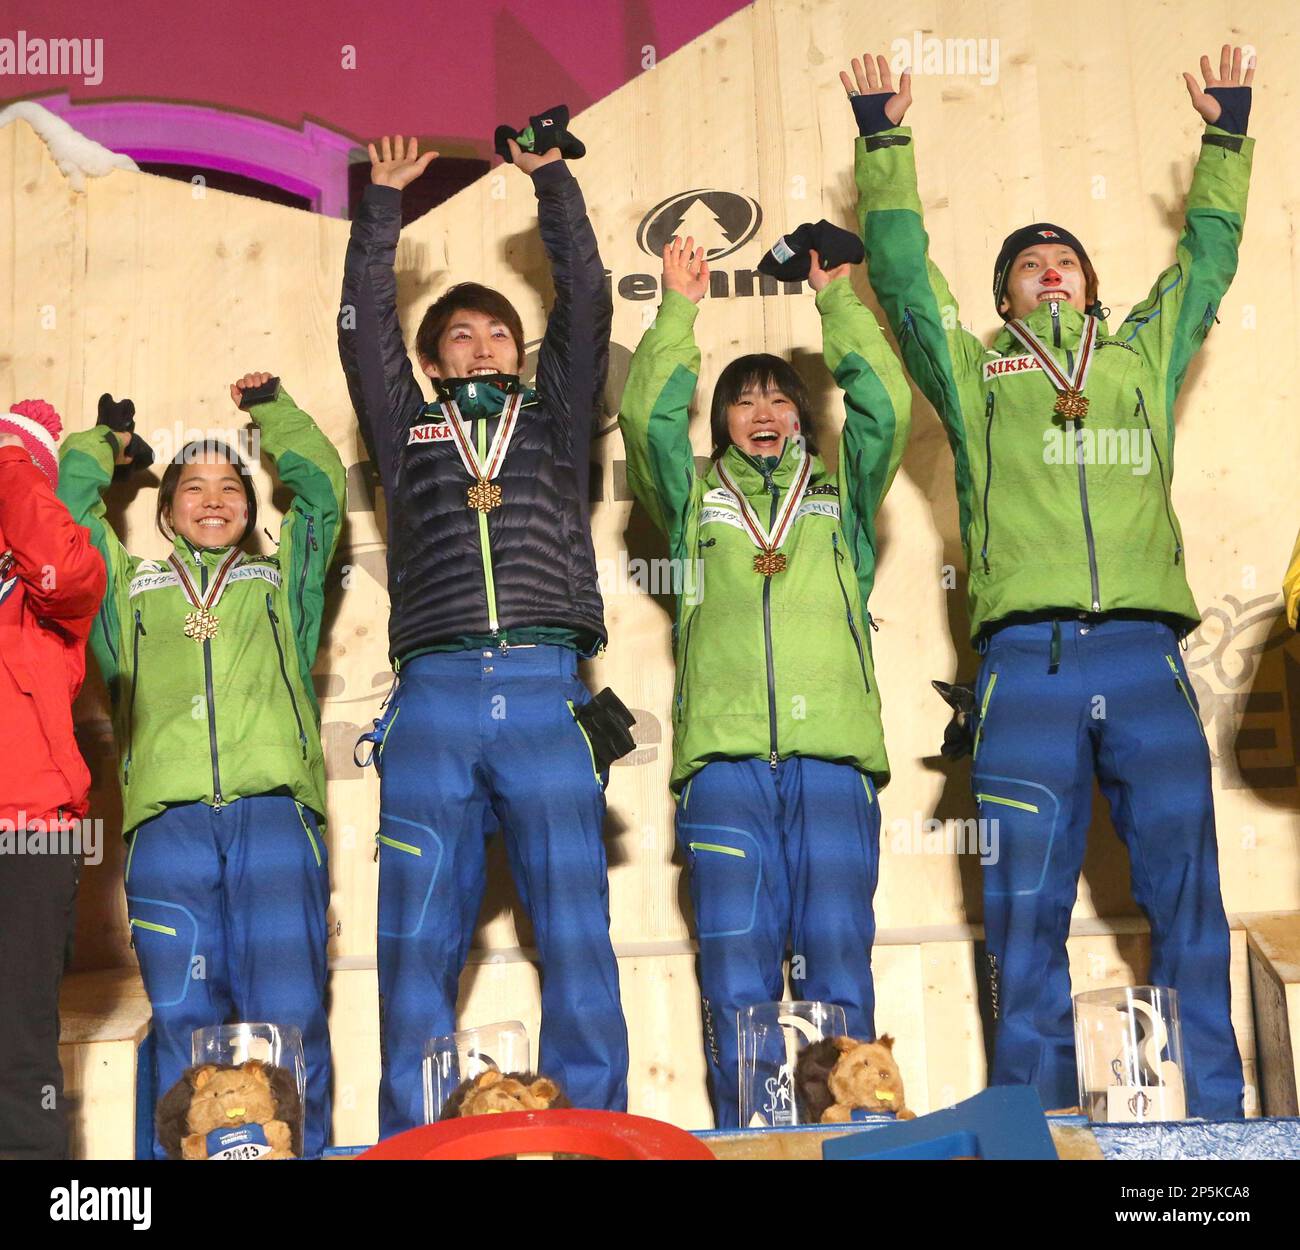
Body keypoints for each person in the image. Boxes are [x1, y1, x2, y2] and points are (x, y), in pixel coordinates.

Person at [843, 43, 1256, 1117]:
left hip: (1144, 650)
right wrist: (884, 145)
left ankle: (1216, 1112)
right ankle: (1032, 1119)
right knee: (1020, 901)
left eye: (1064, 259)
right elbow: (899, 281)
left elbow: (1205, 266)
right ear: (1004, 295)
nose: (1049, 269)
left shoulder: (1135, 361)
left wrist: (1226, 136)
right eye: (1028, 263)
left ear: (1091, 283)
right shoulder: (977, 377)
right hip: (1025, 662)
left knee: (1187, 896)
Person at [338, 129, 628, 1136]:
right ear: (429, 360)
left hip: (549, 688)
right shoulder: (405, 430)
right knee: (416, 937)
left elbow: (585, 300)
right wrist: (378, 211)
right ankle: (414, 1138)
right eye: (459, 336)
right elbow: (360, 329)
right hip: (433, 697)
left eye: (498, 333)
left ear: (521, 354)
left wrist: (552, 180)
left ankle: (591, 1130)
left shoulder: (553, 419)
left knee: (579, 931)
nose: (481, 345)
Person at [619, 234, 911, 1125]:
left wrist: (838, 300)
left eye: (780, 396)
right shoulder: (693, 497)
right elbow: (645, 422)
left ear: (802, 415)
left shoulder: (840, 494)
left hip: (832, 755)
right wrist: (677, 308)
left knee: (837, 956)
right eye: (744, 400)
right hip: (724, 761)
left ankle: (854, 1129)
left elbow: (889, 408)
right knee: (738, 967)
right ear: (722, 425)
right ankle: (755, 1136)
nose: (764, 409)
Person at [57, 375, 345, 1156]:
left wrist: (273, 412)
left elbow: (323, 495)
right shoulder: (130, 592)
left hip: (276, 821)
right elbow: (71, 512)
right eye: (192, 485)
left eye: (231, 487)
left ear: (251, 511)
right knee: (184, 1025)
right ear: (164, 508)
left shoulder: (283, 587)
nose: (212, 499)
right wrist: (102, 446)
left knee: (287, 1021)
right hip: (167, 831)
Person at [0, 401, 105, 1159]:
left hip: (27, 833)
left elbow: (65, 570)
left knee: (16, 1044)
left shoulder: (50, 588)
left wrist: (12, 458)